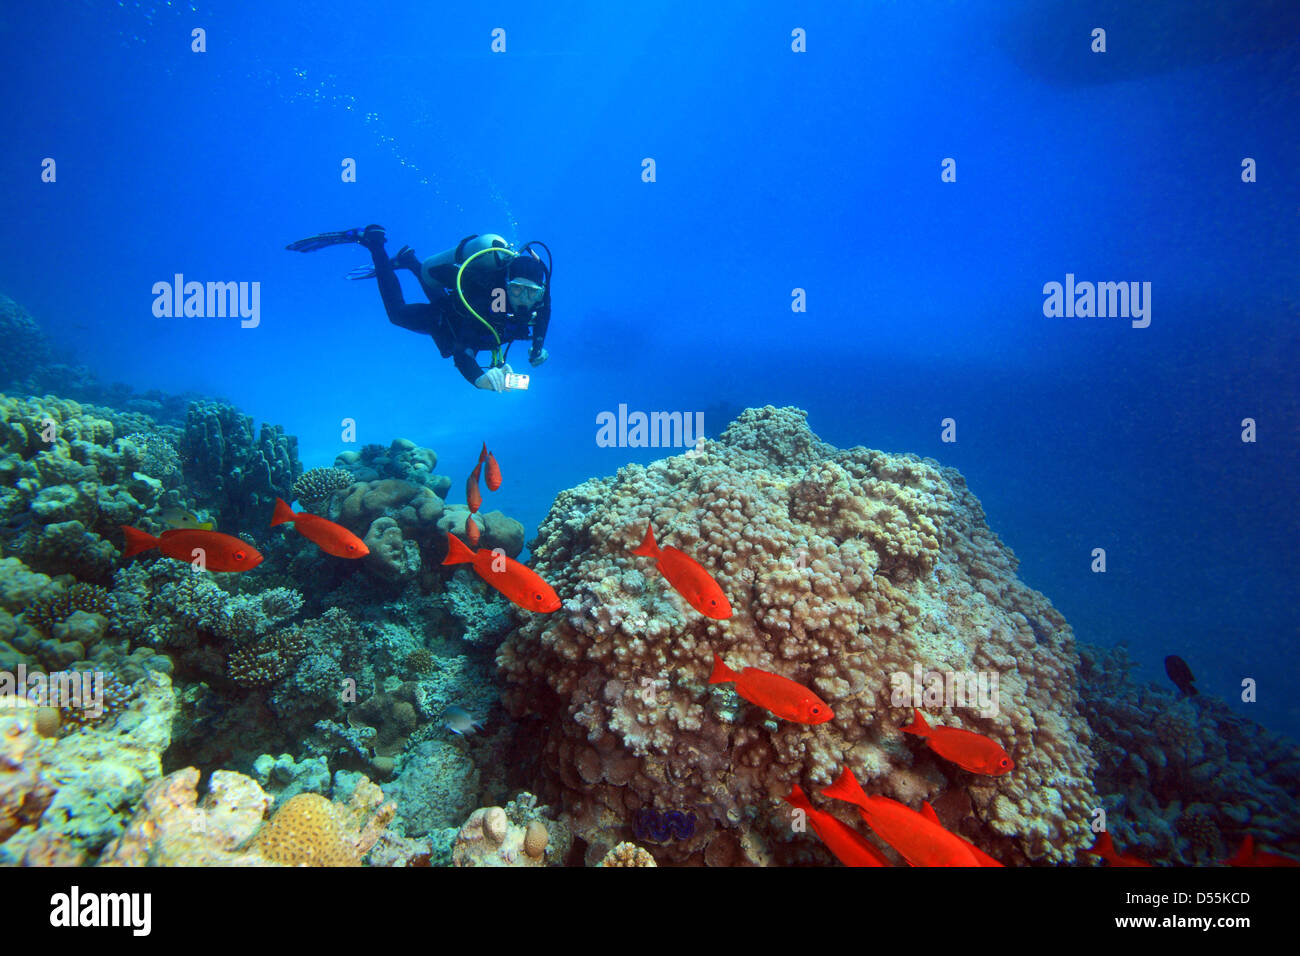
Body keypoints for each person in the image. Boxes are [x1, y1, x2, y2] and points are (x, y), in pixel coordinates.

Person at [287, 225, 551, 390]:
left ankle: (410, 261)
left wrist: (538, 350)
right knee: (397, 314)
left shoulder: (540, 305)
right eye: (517, 289)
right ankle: (374, 244)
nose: (523, 299)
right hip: (446, 320)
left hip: (455, 306)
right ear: (506, 285)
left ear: (541, 293)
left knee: (442, 297)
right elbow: (463, 353)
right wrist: (478, 379)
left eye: (532, 292)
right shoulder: (490, 302)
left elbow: (541, 323)